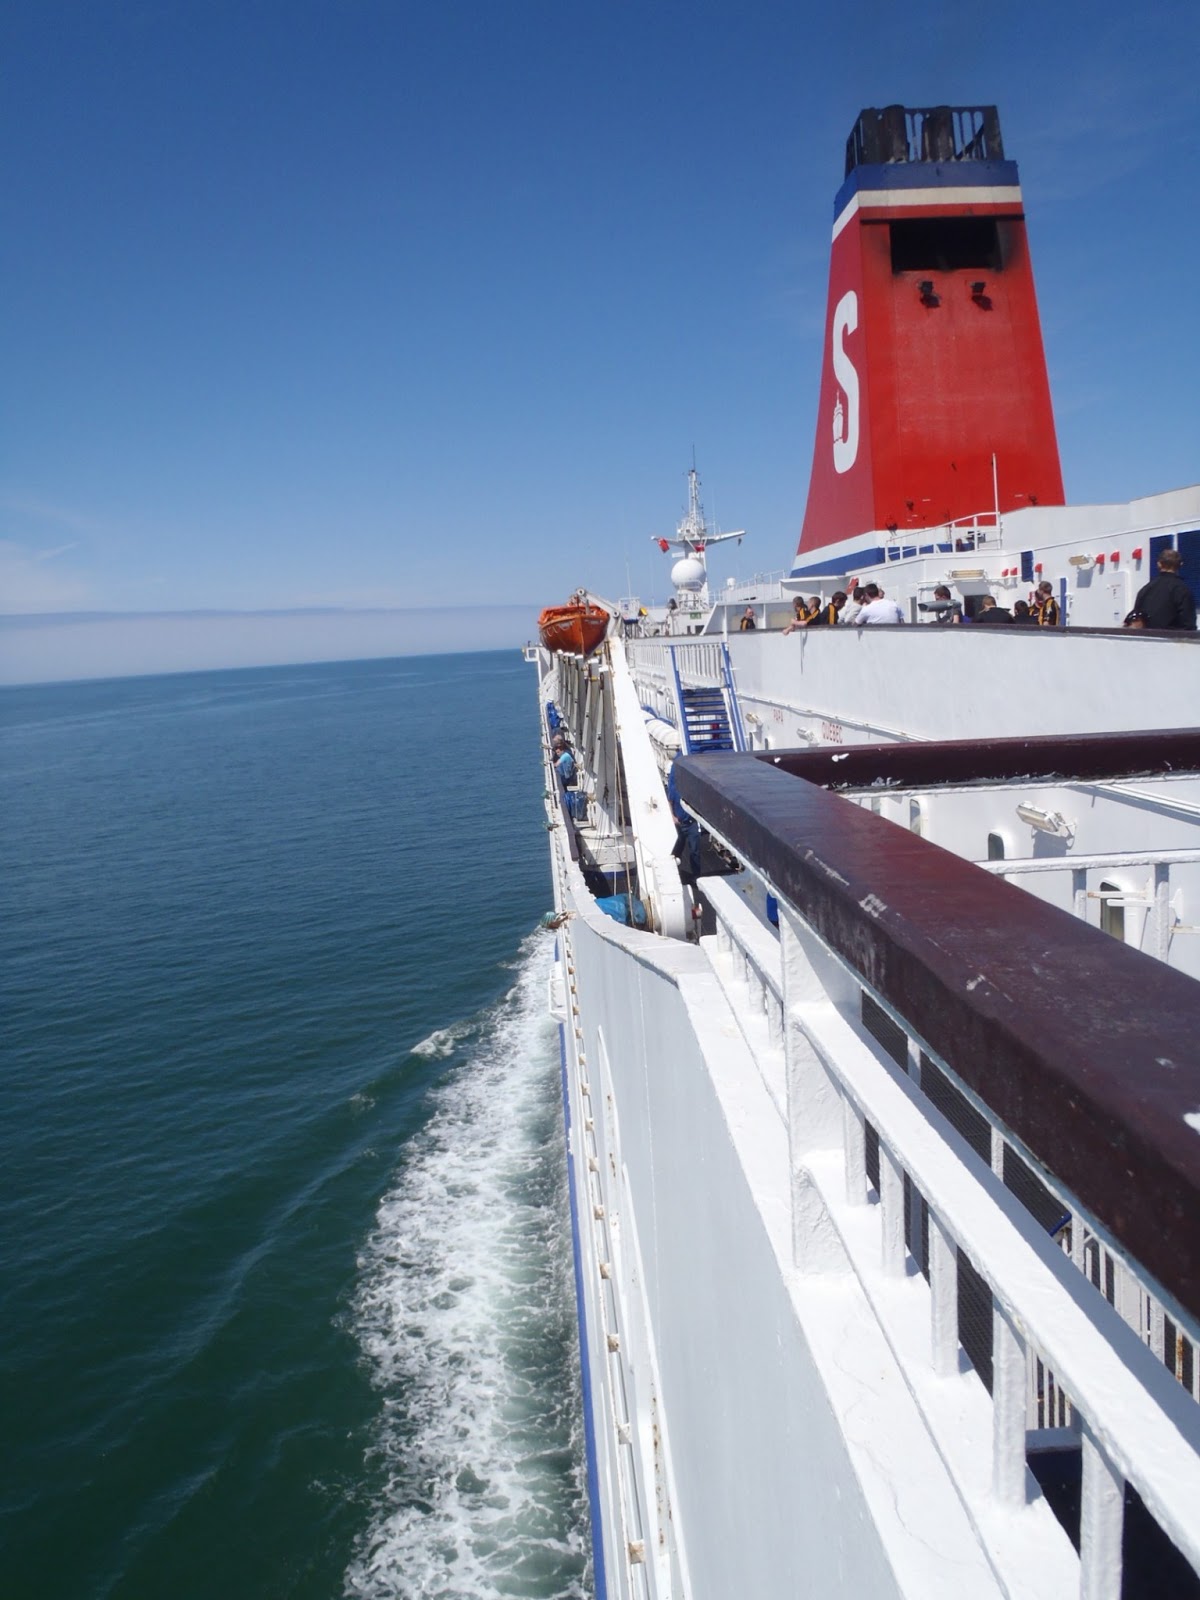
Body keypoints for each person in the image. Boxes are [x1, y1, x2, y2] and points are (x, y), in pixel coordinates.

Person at [1130, 548, 1197, 630]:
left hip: (1147, 638)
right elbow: (1188, 624)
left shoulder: (1145, 590)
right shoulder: (1182, 589)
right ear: (1180, 565)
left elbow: (1136, 618)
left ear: (1159, 564)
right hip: (1171, 639)